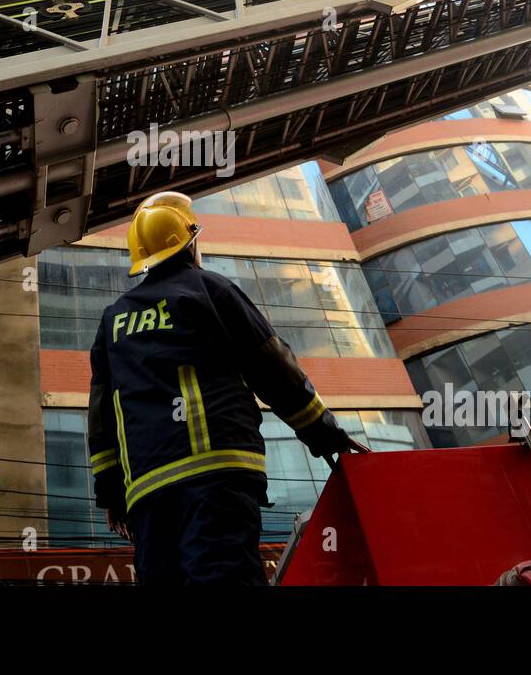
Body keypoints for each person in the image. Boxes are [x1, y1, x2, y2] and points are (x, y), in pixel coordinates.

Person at [88, 191, 367, 585]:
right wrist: (325, 433)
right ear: (192, 242)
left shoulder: (113, 320)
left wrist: (111, 494)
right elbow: (272, 367)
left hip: (148, 493)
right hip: (216, 475)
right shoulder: (209, 290)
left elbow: (101, 415)